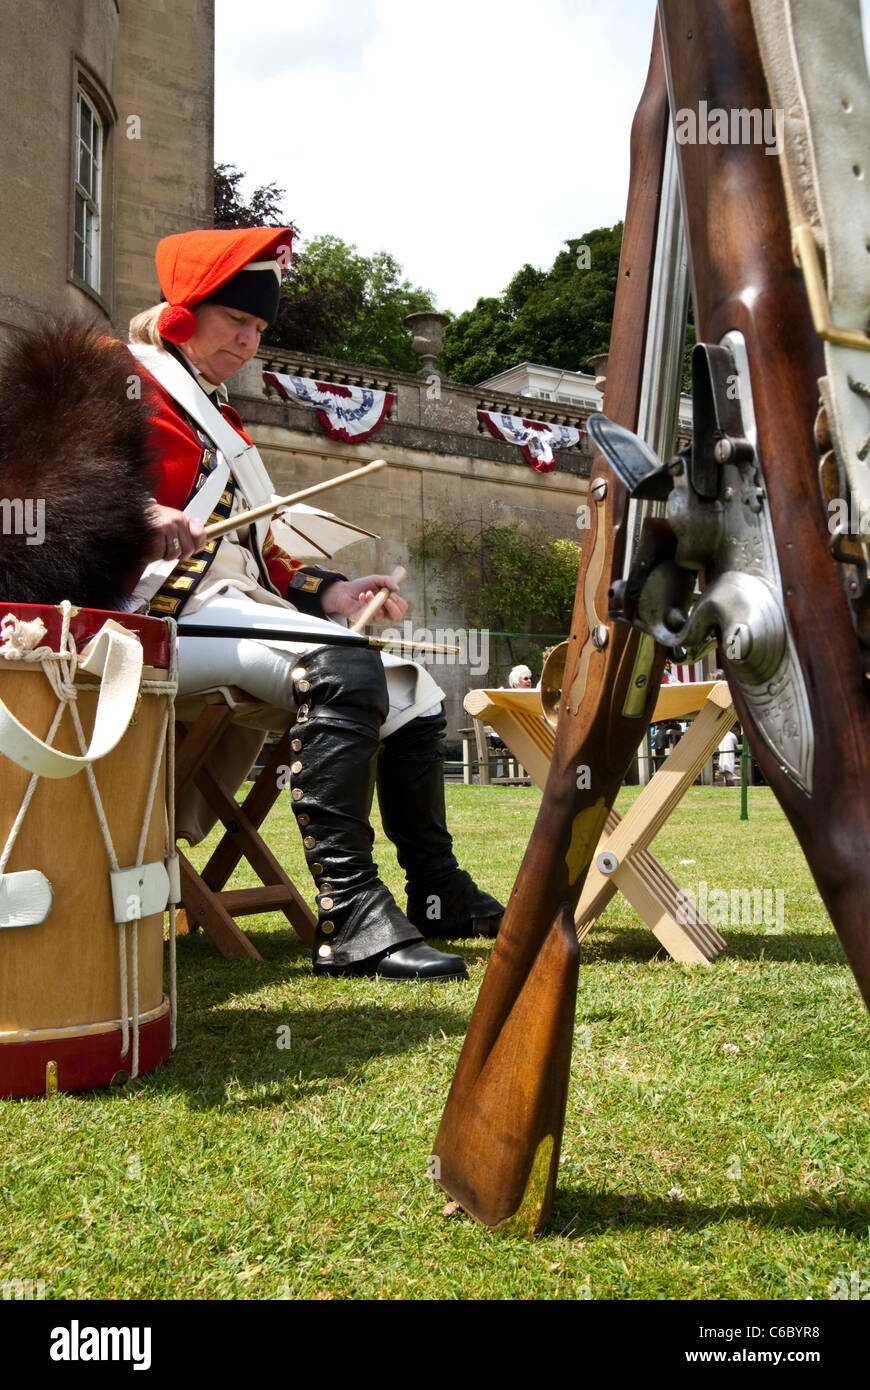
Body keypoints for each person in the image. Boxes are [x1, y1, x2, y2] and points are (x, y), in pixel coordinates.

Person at [129, 226, 503, 981]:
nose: (249, 338)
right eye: (237, 318)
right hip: (148, 613)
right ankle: (351, 916)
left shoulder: (222, 416)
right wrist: (136, 514)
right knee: (341, 665)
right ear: (187, 308)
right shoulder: (118, 379)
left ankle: (436, 893)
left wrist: (334, 591)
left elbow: (261, 553)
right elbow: (44, 478)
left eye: (259, 327)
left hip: (227, 607)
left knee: (414, 690)